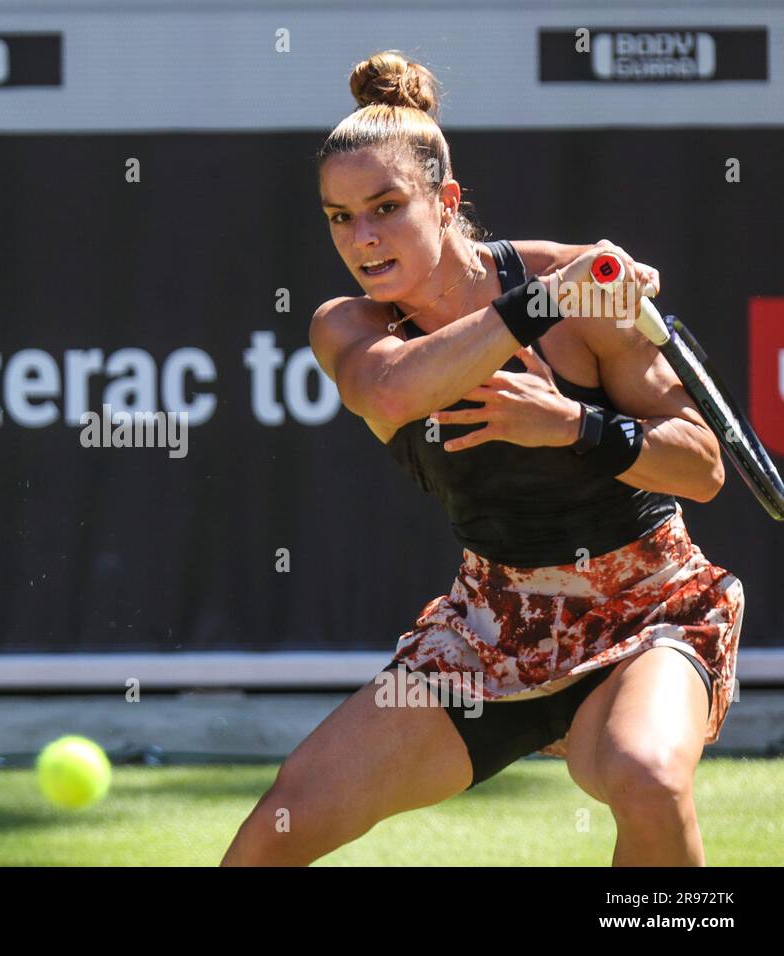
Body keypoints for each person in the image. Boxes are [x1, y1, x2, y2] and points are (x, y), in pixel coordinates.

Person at [221, 50, 744, 867]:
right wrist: (547, 299)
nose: (363, 238)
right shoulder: (348, 326)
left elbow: (703, 468)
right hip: (490, 628)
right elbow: (393, 394)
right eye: (339, 217)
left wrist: (574, 425)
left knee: (646, 776)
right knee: (281, 825)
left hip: (650, 607)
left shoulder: (581, 293)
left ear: (446, 200)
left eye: (386, 207)